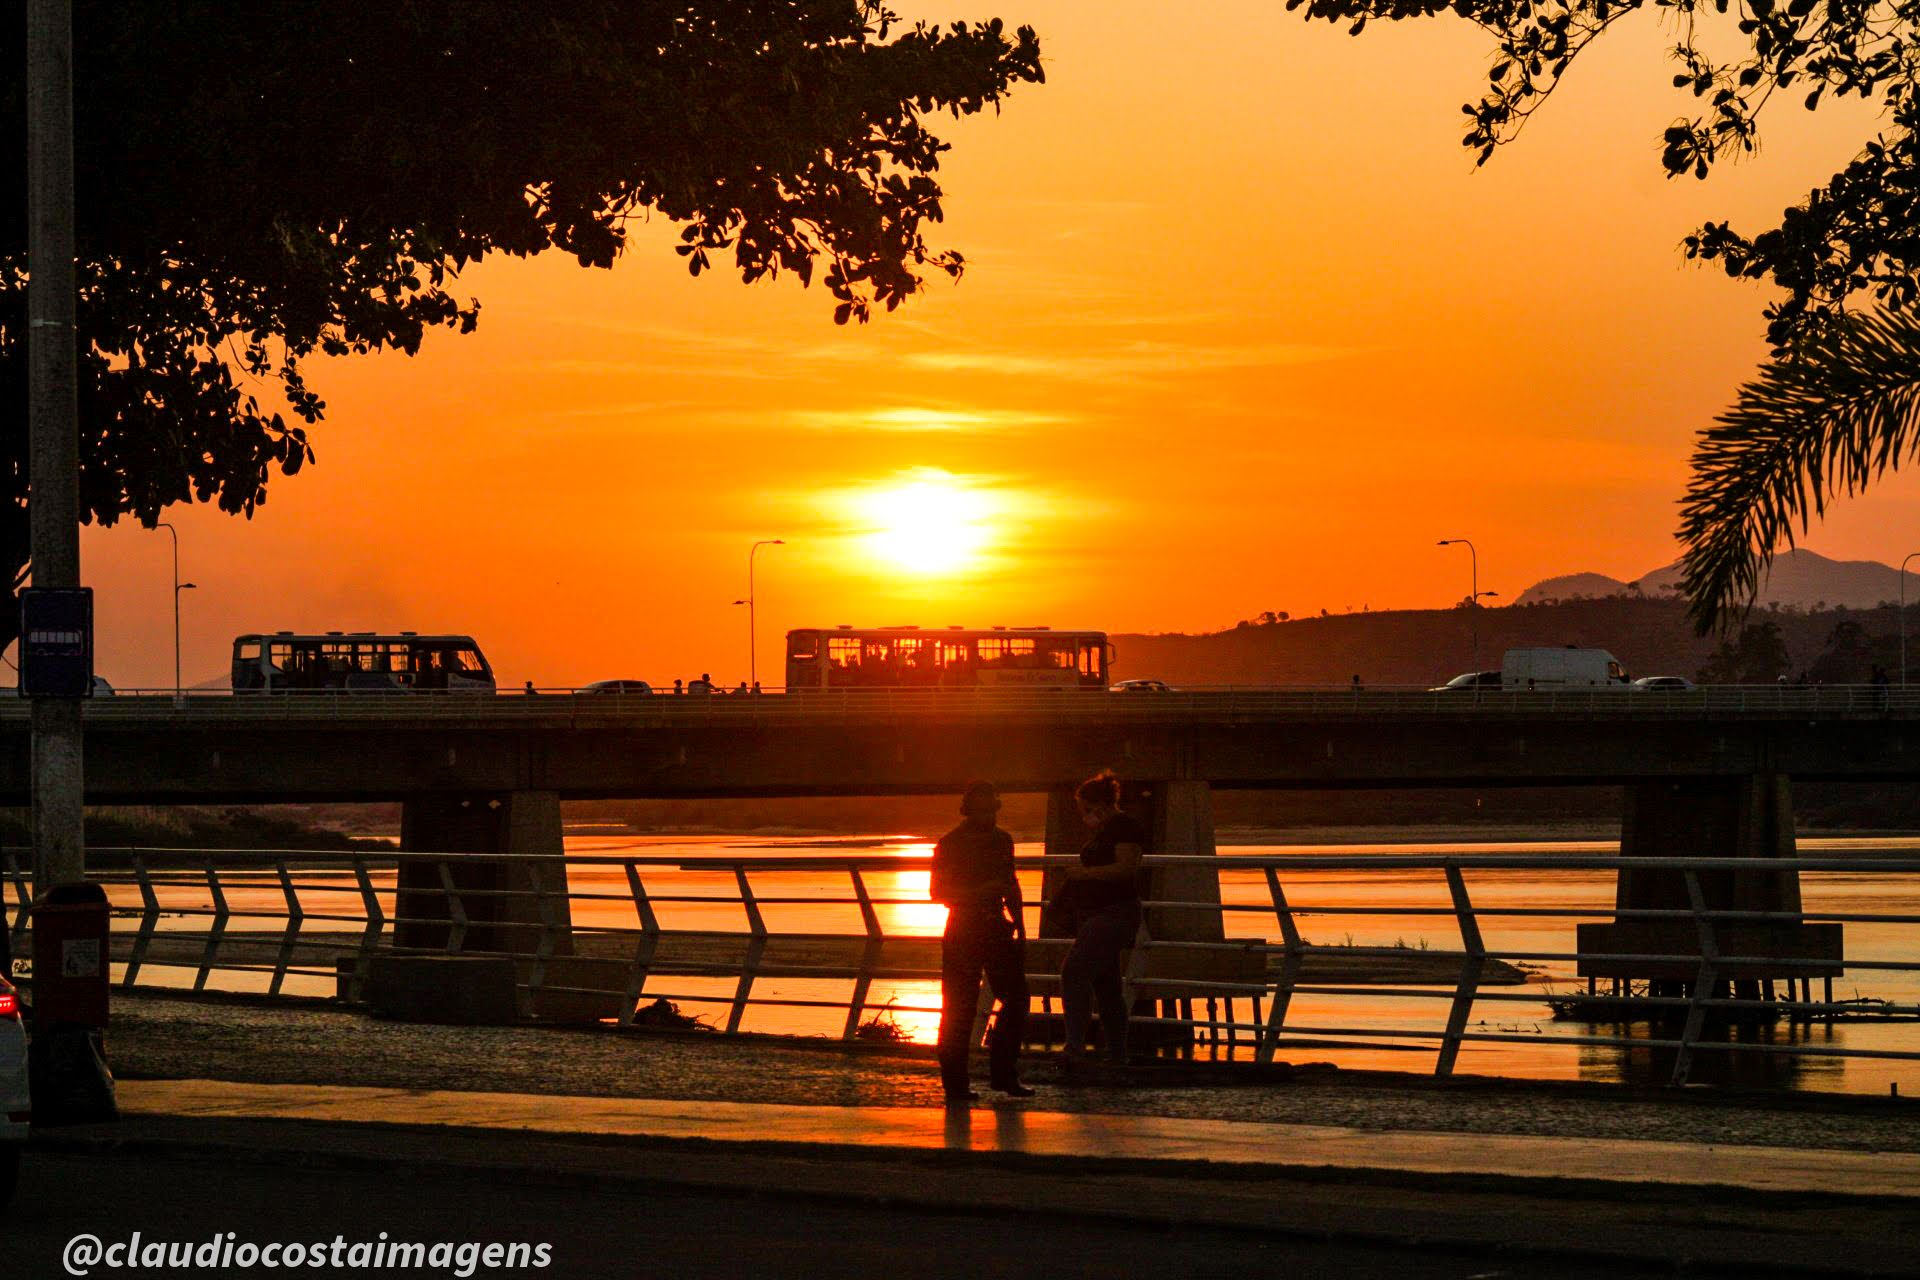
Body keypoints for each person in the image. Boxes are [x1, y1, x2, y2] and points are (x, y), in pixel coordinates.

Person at [931, 780, 1031, 1103]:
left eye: (992, 809)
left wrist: (1021, 924)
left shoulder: (1004, 840)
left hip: (996, 927)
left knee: (1017, 998)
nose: (989, 815)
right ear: (968, 810)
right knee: (959, 1007)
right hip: (963, 927)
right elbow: (938, 892)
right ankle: (956, 1084)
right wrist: (978, 892)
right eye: (983, 809)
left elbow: (1011, 884)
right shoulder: (950, 844)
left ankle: (1003, 1074)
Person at [1049, 770, 1146, 1066]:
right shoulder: (1103, 831)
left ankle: (1074, 1046)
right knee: (1107, 984)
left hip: (1115, 912)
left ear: (1100, 805)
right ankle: (1118, 1053)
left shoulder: (1124, 827)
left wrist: (1084, 874)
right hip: (1094, 913)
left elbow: (1127, 868)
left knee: (1074, 971)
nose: (1084, 816)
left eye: (1086, 809)